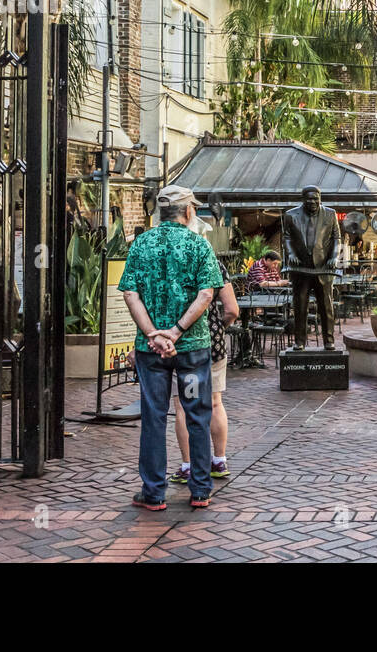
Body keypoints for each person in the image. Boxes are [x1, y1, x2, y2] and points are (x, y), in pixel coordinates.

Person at [119, 184, 223, 511]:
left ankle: (153, 492)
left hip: (151, 352)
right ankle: (201, 490)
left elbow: (129, 293)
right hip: (191, 349)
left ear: (159, 212)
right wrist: (176, 333)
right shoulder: (198, 245)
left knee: (153, 416)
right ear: (189, 211)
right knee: (196, 413)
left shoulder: (140, 244)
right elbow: (206, 294)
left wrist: (153, 334)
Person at [171, 246, 239, 486]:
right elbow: (232, 310)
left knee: (182, 406)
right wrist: (218, 327)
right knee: (214, 401)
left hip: (178, 343)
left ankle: (188, 465)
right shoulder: (214, 264)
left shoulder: (170, 264)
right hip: (213, 344)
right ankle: (219, 460)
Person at [282, 186, 341, 350]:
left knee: (326, 307)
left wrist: (334, 257)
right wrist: (291, 255)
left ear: (320, 198)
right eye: (309, 198)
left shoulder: (330, 214)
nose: (313, 201)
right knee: (300, 307)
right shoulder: (290, 215)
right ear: (303, 199)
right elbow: (286, 238)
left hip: (323, 268)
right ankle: (299, 341)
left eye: (316, 198)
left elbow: (337, 238)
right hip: (301, 269)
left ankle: (329, 341)